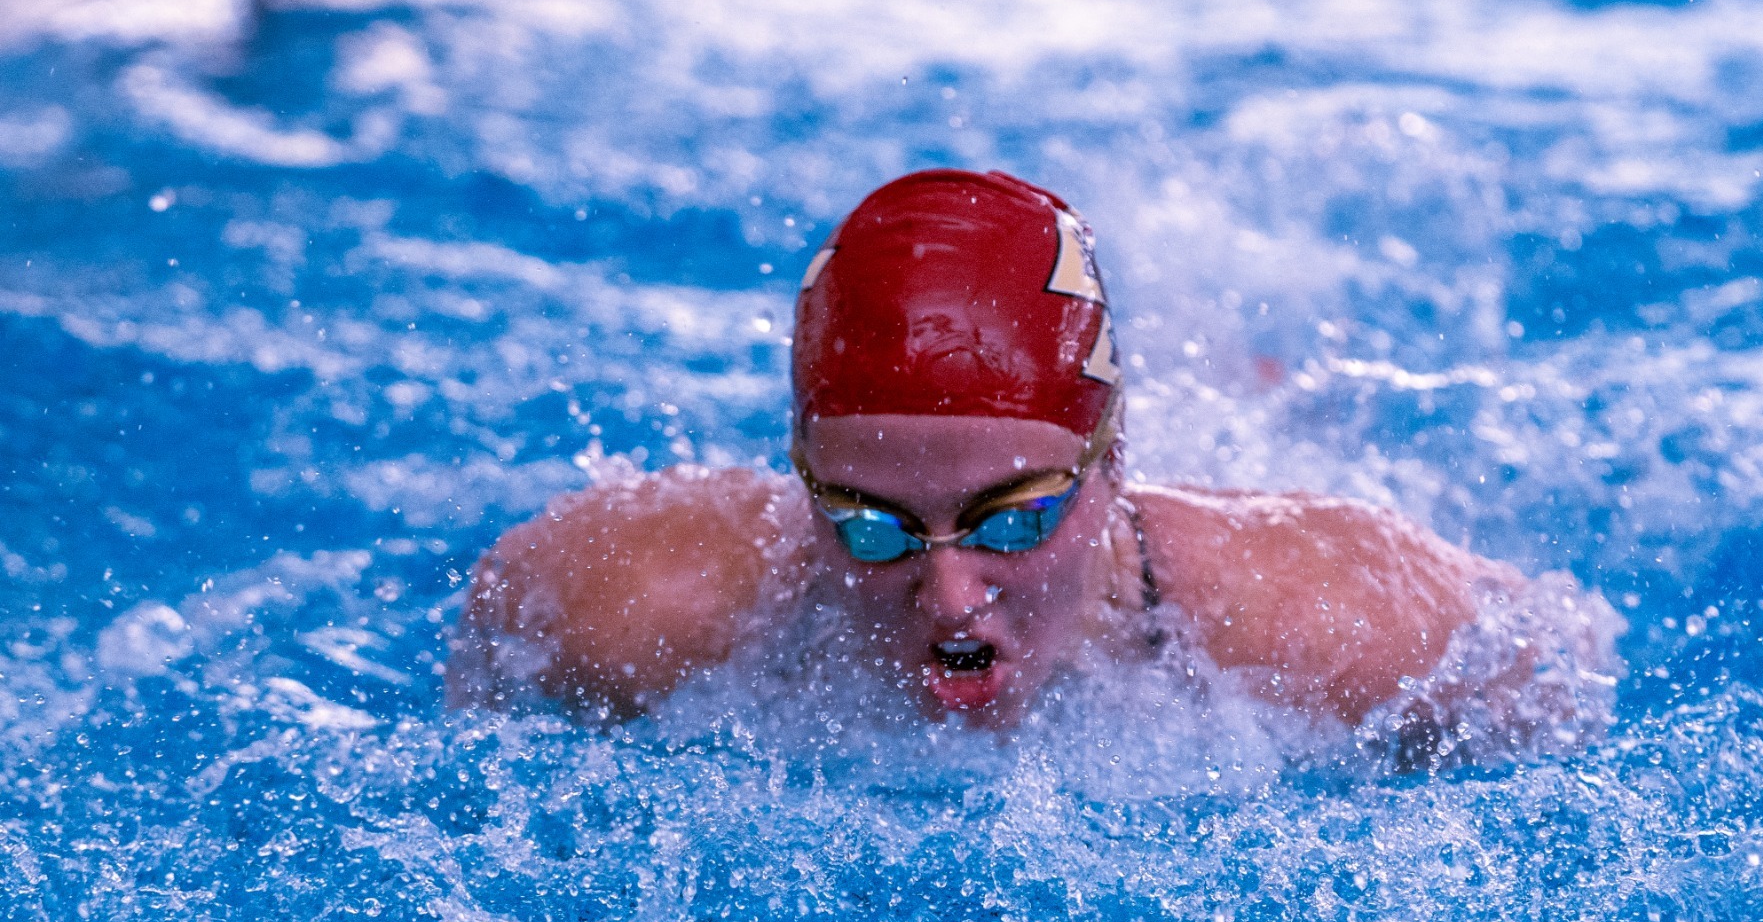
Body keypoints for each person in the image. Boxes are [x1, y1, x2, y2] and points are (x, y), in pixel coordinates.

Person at [448, 168, 1614, 763]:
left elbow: (1567, 658)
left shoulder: (1325, 616)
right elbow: (488, 641)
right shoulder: (634, 603)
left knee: (1270, 403)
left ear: (1111, 468)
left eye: (1009, 524)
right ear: (799, 481)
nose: (950, 598)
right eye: (870, 527)